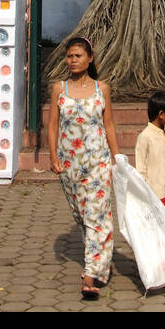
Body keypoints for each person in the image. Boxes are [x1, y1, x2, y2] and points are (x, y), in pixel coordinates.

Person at [48, 35, 119, 299]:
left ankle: (91, 276)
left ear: (90, 58)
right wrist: (53, 156)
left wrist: (117, 156)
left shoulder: (103, 88)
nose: (73, 60)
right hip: (69, 163)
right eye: (69, 56)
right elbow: (53, 125)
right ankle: (102, 261)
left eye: (78, 55)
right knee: (81, 215)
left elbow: (108, 124)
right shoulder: (59, 89)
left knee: (98, 216)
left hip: (98, 161)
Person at [135, 90, 165, 215]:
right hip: (153, 190)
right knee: (158, 222)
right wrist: (143, 190)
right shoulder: (145, 137)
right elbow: (140, 167)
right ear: (161, 114)